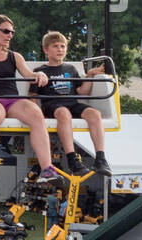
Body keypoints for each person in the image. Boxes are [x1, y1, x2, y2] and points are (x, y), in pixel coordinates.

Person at [0, 14, 60, 192]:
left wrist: (40, 75)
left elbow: (27, 73)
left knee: (36, 114)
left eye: (12, 32)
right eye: (6, 31)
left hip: (12, 100)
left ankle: (47, 168)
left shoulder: (14, 56)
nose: (10, 35)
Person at [36, 31, 113, 176]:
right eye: (55, 46)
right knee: (64, 113)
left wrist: (90, 75)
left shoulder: (70, 69)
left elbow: (82, 91)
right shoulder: (40, 71)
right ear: (46, 50)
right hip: (52, 104)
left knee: (94, 114)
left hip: (71, 102)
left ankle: (101, 159)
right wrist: (37, 112)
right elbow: (33, 94)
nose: (60, 49)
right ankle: (72, 159)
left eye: (62, 46)